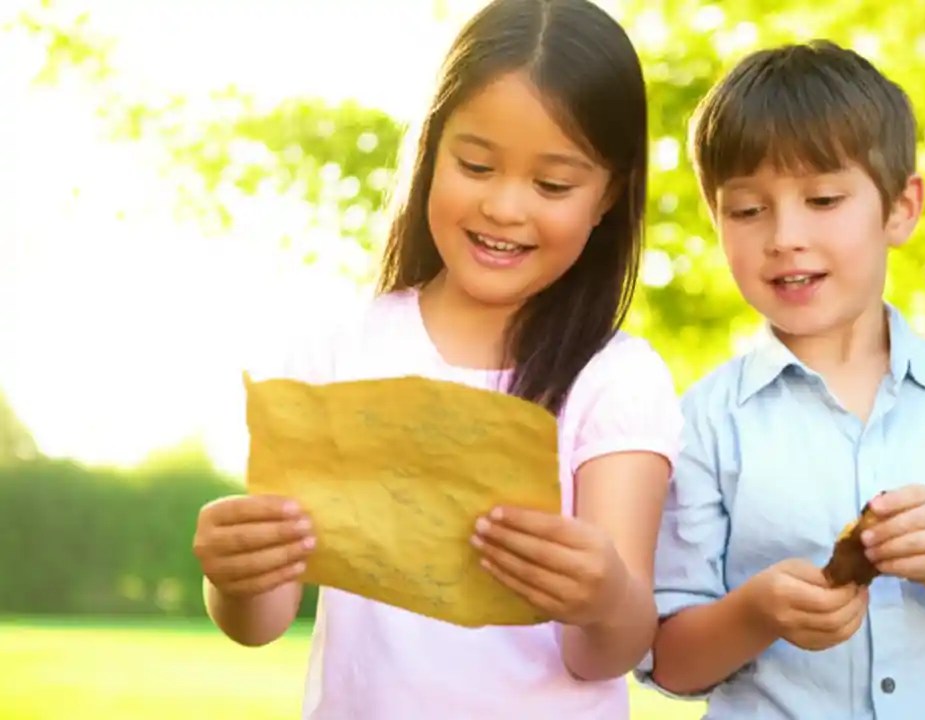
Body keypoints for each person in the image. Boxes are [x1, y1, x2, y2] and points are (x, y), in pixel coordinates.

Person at [191, 1, 683, 717]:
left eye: (552, 185)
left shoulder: (616, 379)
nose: (505, 207)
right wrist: (232, 575)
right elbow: (262, 620)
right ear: (430, 152)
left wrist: (605, 595)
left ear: (609, 194)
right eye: (476, 165)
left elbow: (604, 654)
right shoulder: (338, 350)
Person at [637, 40, 925, 719]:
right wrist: (756, 612)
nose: (784, 236)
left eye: (822, 198)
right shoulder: (702, 421)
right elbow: (670, 659)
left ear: (900, 208)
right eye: (747, 210)